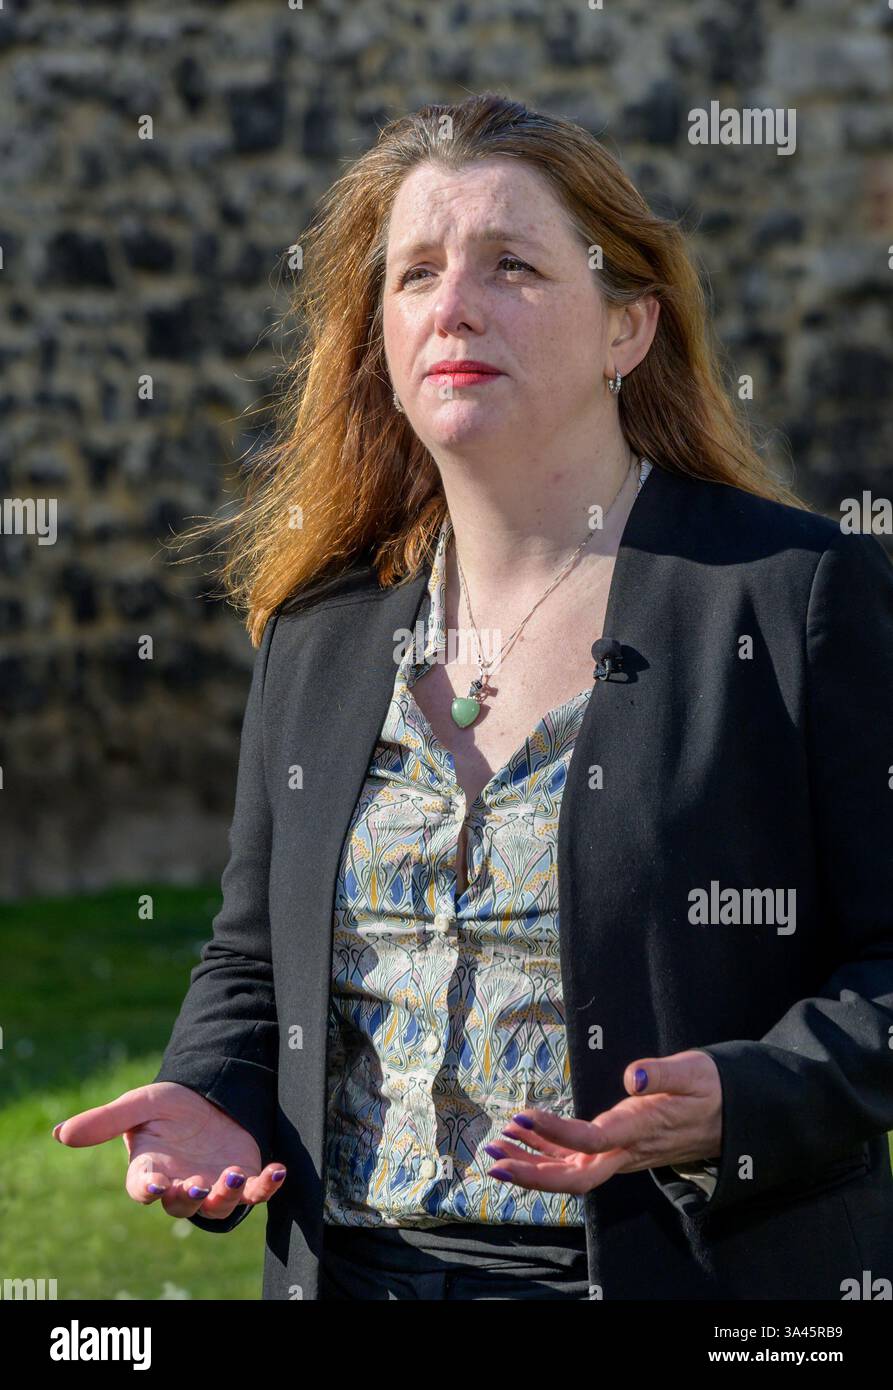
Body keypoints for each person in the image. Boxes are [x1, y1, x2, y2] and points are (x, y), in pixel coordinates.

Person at [53, 93, 893, 1301]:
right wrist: (213, 1096)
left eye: (512, 266)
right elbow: (251, 963)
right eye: (415, 275)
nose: (453, 306)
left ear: (626, 326)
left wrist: (747, 1098)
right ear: (380, 341)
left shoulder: (791, 594)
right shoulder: (320, 632)